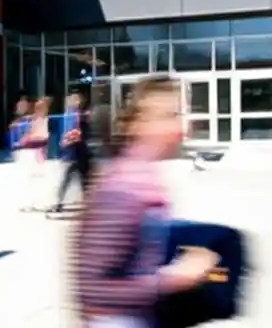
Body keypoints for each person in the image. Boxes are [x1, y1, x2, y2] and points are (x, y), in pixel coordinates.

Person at [74, 77, 219, 327]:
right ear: (140, 123)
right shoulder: (121, 185)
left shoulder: (145, 177)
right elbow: (94, 288)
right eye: (168, 115)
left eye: (178, 113)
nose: (180, 125)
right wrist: (176, 278)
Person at [49, 91, 92, 216]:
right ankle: (59, 203)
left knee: (82, 181)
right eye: (74, 99)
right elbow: (70, 133)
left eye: (77, 99)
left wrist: (70, 138)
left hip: (80, 153)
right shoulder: (71, 115)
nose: (76, 102)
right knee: (70, 180)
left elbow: (80, 133)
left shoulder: (79, 115)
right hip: (74, 153)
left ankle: (61, 204)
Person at [17, 97, 51, 212]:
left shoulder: (43, 120)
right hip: (30, 151)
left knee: (37, 179)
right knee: (29, 179)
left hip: (37, 152)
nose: (38, 109)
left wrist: (29, 137)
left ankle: (38, 203)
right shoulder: (34, 119)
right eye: (38, 107)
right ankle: (28, 203)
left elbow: (43, 136)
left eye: (41, 107)